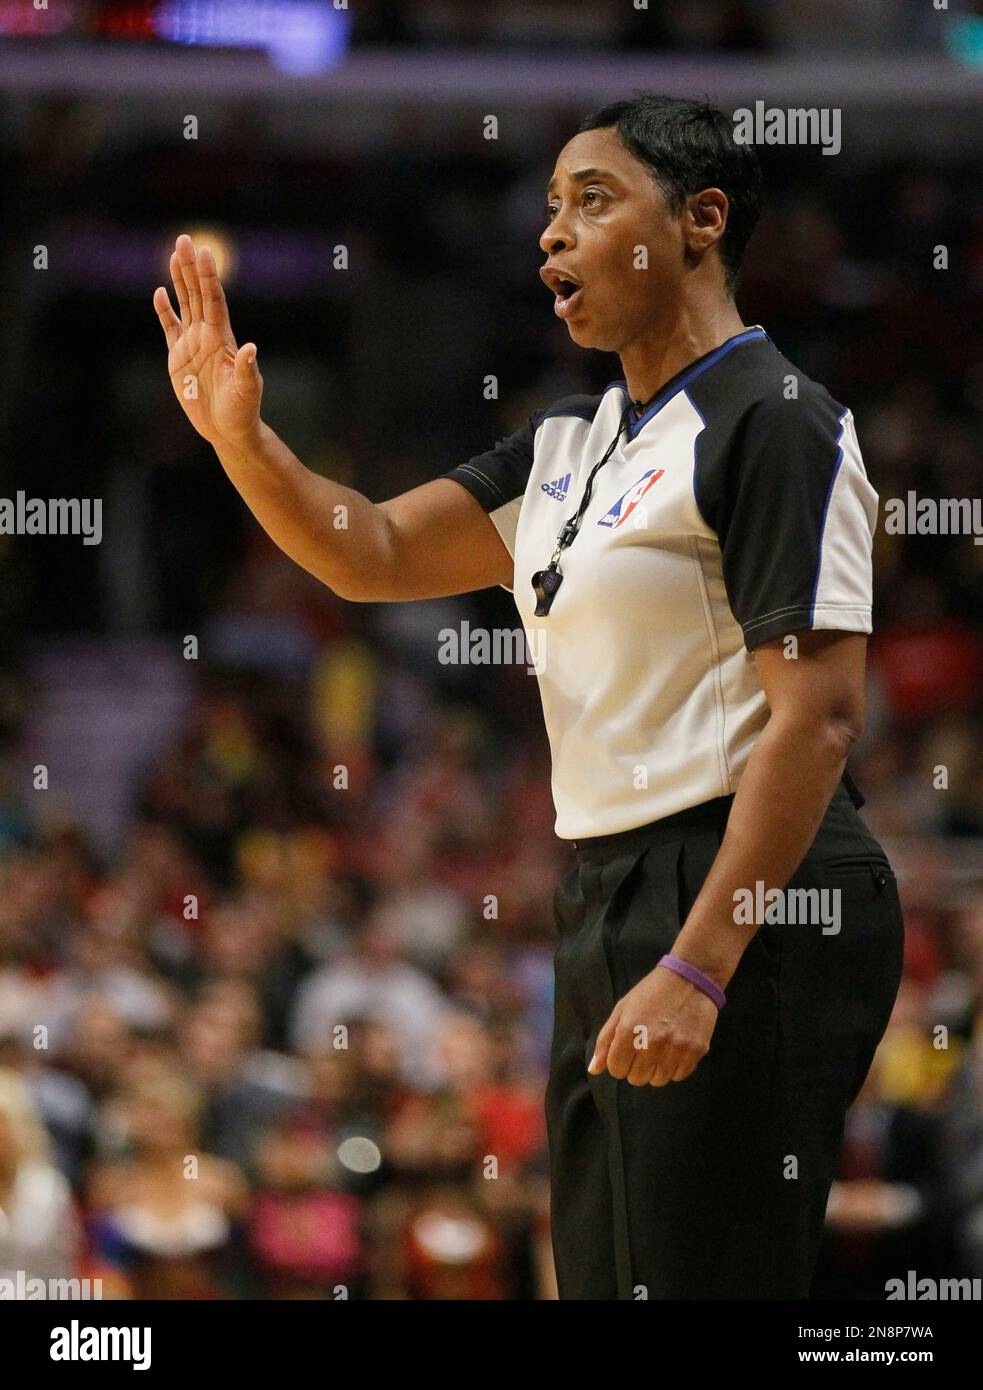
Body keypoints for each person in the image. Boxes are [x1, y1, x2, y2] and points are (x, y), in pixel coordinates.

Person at [153, 94, 904, 1299]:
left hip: (746, 886)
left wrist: (701, 964)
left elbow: (814, 715)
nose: (551, 235)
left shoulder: (774, 419)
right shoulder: (568, 440)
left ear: (699, 221)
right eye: (548, 208)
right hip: (606, 886)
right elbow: (376, 551)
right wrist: (242, 442)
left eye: (591, 201)